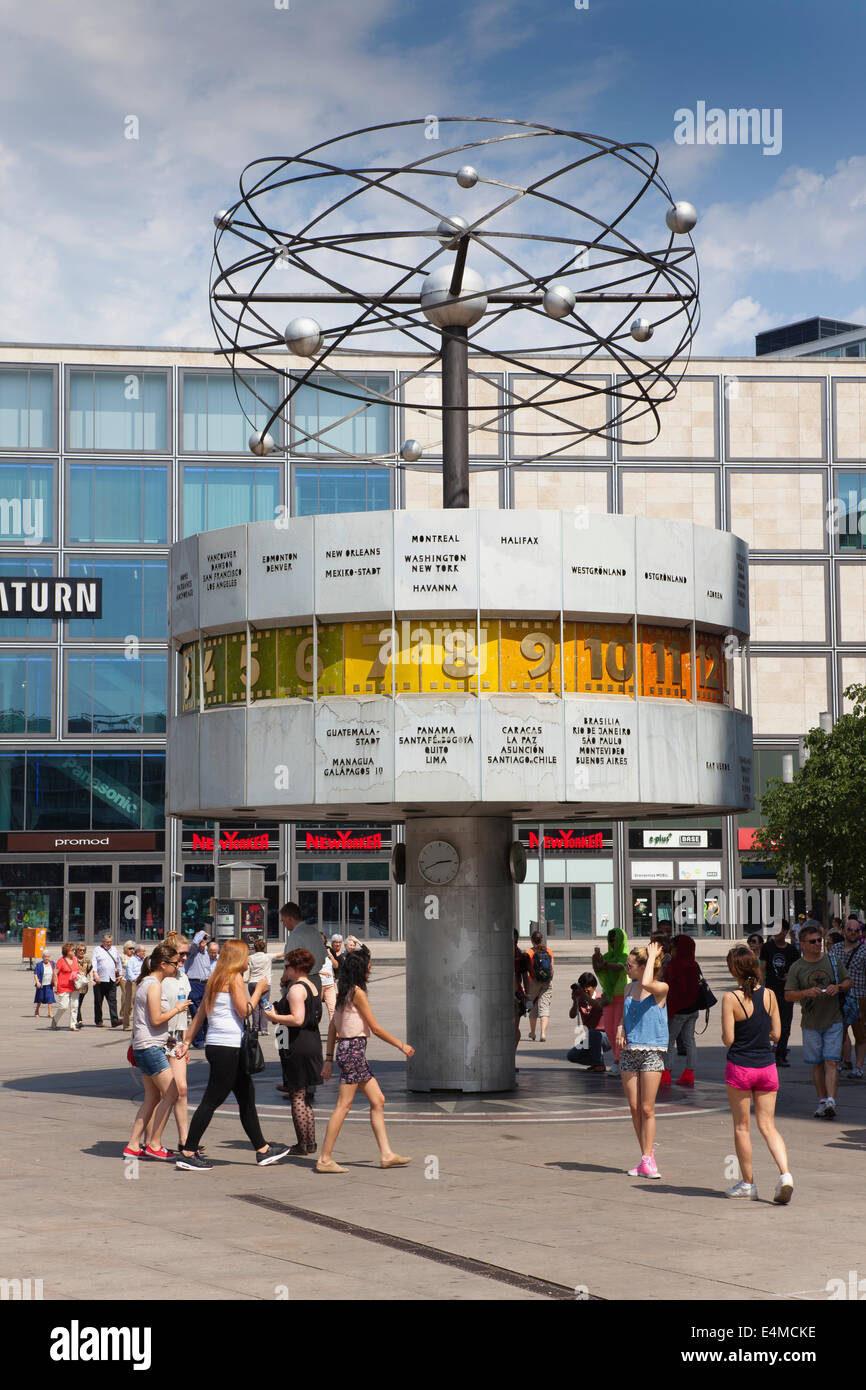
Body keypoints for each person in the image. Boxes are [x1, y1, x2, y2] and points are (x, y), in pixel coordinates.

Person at [176, 940, 288, 1171]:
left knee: (246, 1097)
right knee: (212, 1099)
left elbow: (199, 1017)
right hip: (228, 1047)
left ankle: (262, 1149)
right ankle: (188, 1151)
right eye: (246, 956)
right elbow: (244, 1010)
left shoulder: (215, 978)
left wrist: (188, 1041)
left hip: (219, 1045)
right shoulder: (234, 978)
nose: (248, 960)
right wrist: (258, 990)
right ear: (237, 957)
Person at [317, 946, 413, 1173]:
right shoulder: (357, 993)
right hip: (353, 1052)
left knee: (377, 1100)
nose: (371, 970)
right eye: (369, 966)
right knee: (344, 1105)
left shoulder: (344, 992)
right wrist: (401, 1045)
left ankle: (387, 1154)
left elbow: (332, 1028)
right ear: (360, 969)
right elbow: (376, 1028)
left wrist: (329, 1058)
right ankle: (324, 1158)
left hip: (349, 1051)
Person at [722, 945, 793, 1203]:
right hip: (767, 1068)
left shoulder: (731, 998)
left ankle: (748, 1183)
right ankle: (785, 1175)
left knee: (742, 1127)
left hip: (740, 1067)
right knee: (768, 1126)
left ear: (734, 970)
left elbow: (728, 1039)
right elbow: (777, 1034)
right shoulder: (771, 996)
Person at [123, 944, 194, 1160]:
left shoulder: (150, 983)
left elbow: (149, 1023)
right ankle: (154, 1144)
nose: (178, 965)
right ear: (163, 964)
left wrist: (172, 1040)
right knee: (172, 1093)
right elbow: (155, 1020)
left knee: (153, 1097)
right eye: (174, 962)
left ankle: (134, 1145)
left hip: (147, 1047)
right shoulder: (153, 985)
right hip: (150, 1049)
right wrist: (177, 1009)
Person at [785, 922, 852, 1119]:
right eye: (813, 941)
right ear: (802, 944)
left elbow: (848, 981)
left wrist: (838, 987)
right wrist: (805, 992)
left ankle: (831, 1100)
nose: (817, 944)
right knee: (817, 1064)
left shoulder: (832, 960)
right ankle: (822, 1100)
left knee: (831, 1061)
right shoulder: (797, 967)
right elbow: (788, 995)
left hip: (834, 1020)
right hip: (811, 1023)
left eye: (819, 940)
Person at [264, 948, 323, 1155]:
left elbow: (297, 1019)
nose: (285, 969)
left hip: (298, 1044)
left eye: (287, 966)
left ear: (296, 968)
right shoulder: (313, 986)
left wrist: (275, 1016)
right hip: (312, 1041)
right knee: (304, 1095)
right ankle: (311, 1142)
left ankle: (301, 1144)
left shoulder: (296, 989)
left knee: (296, 1095)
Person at [618, 942, 669, 1179]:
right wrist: (620, 1026)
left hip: (652, 1050)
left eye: (630, 965)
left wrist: (651, 958)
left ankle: (648, 1160)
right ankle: (646, 1157)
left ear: (643, 966)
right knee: (635, 1107)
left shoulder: (660, 988)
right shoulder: (629, 988)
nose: (626, 968)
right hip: (630, 1050)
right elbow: (626, 1012)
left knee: (648, 1108)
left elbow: (648, 982)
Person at [661, 935, 701, 1088]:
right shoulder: (694, 964)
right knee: (689, 1041)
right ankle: (689, 1073)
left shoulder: (674, 965)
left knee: (670, 1041)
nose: (672, 950)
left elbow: (669, 985)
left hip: (678, 1010)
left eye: (674, 947)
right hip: (693, 1009)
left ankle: (666, 1073)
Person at [759, 921, 800, 1067]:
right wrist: (761, 987)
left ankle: (780, 1054)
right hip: (770, 991)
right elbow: (762, 968)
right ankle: (764, 1054)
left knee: (785, 1024)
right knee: (767, 1024)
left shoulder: (792, 950)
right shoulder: (767, 947)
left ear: (786, 931)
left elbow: (797, 969)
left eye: (779, 929)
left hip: (787, 992)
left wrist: (790, 975)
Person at [832, 916, 866, 1079]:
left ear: (860, 933)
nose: (853, 933)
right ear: (844, 931)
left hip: (860, 996)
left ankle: (858, 1067)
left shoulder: (864, 951)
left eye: (856, 930)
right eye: (850, 929)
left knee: (860, 1033)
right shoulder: (835, 949)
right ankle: (837, 1064)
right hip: (839, 996)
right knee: (839, 1032)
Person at [592, 927, 629, 1078]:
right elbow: (599, 971)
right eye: (611, 940)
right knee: (610, 1030)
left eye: (616, 939)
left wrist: (605, 964)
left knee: (619, 1030)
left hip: (622, 996)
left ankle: (618, 1060)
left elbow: (620, 966)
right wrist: (595, 961)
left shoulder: (626, 955)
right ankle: (618, 1059)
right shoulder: (607, 956)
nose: (613, 943)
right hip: (610, 997)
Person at [280, 902, 325, 993]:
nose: (283, 924)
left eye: (283, 921)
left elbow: (289, 964)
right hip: (316, 980)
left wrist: (283, 979)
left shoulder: (295, 935)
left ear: (290, 919)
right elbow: (323, 959)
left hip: (299, 982)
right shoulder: (315, 932)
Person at [566, 973, 607, 1072]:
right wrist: (575, 1001)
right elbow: (572, 1015)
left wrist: (583, 995)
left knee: (594, 1034)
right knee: (572, 1056)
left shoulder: (600, 998)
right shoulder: (581, 1000)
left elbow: (598, 1006)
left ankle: (599, 1064)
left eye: (587, 987)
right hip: (590, 1036)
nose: (585, 990)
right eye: (583, 987)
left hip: (605, 1036)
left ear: (594, 986)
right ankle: (595, 1061)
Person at [525, 928, 555, 1043]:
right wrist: (549, 979)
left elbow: (527, 970)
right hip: (547, 982)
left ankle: (532, 1033)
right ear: (542, 940)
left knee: (533, 1006)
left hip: (533, 982)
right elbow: (552, 969)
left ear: (532, 940)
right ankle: (543, 1033)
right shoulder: (549, 951)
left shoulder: (529, 953)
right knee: (545, 1006)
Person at [184, 929, 212, 1047]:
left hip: (205, 984)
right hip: (194, 983)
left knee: (206, 1013)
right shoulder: (192, 951)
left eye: (205, 940)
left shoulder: (206, 952)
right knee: (196, 1013)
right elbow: (195, 943)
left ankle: (205, 1037)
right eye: (201, 939)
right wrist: (201, 933)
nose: (203, 941)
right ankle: (198, 1041)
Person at [91, 934, 122, 1028]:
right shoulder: (97, 949)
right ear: (103, 942)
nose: (109, 944)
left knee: (113, 1000)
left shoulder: (114, 949)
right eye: (107, 942)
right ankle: (98, 1021)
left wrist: (120, 974)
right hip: (100, 979)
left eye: (110, 942)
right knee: (98, 1001)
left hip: (111, 978)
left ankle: (114, 1020)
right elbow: (94, 962)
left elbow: (118, 962)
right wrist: (95, 974)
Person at [246, 936, 274, 1035]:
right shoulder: (268, 956)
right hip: (265, 984)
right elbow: (282, 954)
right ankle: (264, 1028)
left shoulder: (250, 958)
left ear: (254, 948)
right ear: (264, 947)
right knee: (265, 1004)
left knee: (255, 1005)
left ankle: (255, 1027)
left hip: (253, 983)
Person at [53, 943, 80, 1031]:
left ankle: (73, 1025)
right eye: (72, 950)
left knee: (75, 1006)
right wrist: (56, 985)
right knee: (63, 1006)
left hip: (74, 986)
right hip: (63, 986)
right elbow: (55, 973)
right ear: (67, 951)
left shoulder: (75, 960)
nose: (74, 951)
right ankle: (55, 1019)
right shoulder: (61, 960)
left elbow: (76, 971)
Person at [122, 945, 147, 1029]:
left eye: (145, 951)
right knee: (129, 1003)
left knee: (141, 1003)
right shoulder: (132, 960)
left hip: (143, 982)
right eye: (143, 951)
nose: (144, 953)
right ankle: (126, 1024)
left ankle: (140, 1024)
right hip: (133, 983)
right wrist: (135, 980)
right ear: (138, 952)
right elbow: (129, 971)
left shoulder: (145, 960)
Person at [513, 928, 531, 1049]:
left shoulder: (520, 956)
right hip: (514, 995)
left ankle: (510, 1057)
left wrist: (528, 996)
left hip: (516, 996)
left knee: (514, 1029)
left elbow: (525, 977)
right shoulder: (519, 955)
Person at [71, 943, 92, 1029]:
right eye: (80, 950)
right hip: (75, 984)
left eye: (83, 950)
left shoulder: (87, 960)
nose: (82, 952)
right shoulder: (73, 959)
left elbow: (90, 970)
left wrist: (91, 978)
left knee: (79, 1002)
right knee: (76, 1003)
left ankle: (77, 1020)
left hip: (83, 985)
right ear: (76, 950)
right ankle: (78, 1020)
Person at [319, 933, 337, 1028]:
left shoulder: (329, 950)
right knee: (316, 1010)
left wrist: (331, 956)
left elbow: (336, 966)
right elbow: (309, 968)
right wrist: (322, 973)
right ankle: (312, 1032)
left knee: (333, 1009)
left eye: (322, 940)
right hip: (318, 985)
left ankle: (334, 1033)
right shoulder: (311, 951)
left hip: (330, 985)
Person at [33, 951, 56, 1022]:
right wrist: (37, 982)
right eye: (45, 956)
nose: (47, 958)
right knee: (40, 999)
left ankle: (50, 1013)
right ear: (42, 957)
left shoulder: (53, 964)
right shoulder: (39, 965)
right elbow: (35, 974)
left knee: (50, 998)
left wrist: (56, 982)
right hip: (41, 984)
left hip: (49, 984)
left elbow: (56, 973)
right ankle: (37, 1010)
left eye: (48, 956)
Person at [119, 942, 137, 1028]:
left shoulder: (135, 958)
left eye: (133, 948)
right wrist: (119, 975)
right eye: (130, 948)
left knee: (131, 998)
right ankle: (124, 1012)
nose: (132, 950)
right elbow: (118, 967)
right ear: (125, 949)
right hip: (123, 979)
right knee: (126, 995)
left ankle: (126, 1012)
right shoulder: (121, 957)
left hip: (132, 980)